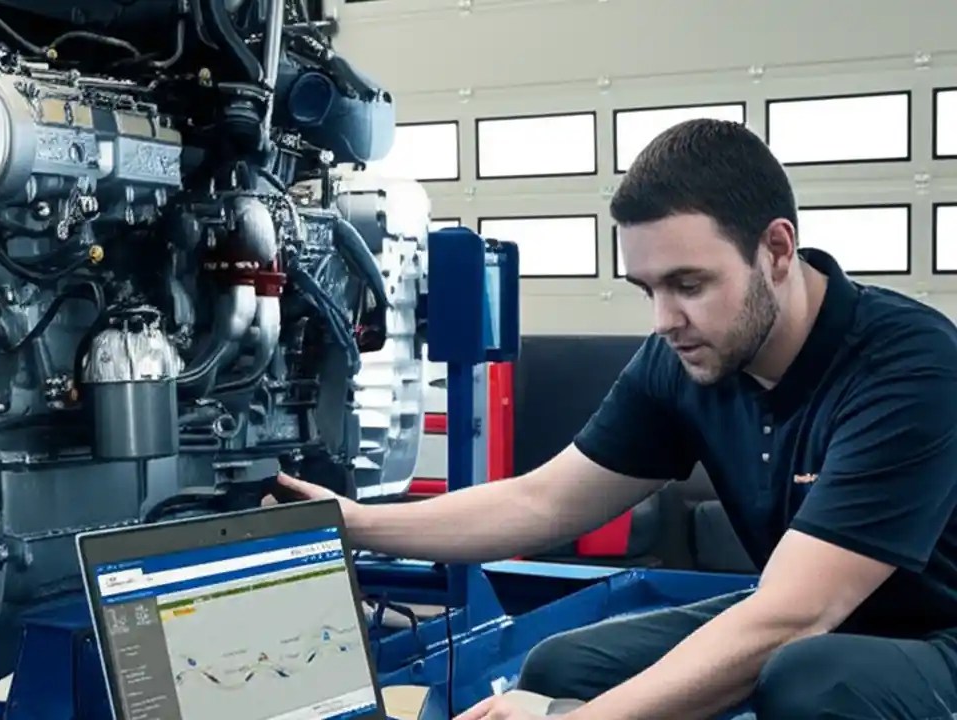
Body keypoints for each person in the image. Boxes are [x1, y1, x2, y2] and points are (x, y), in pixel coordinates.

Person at [268, 118, 957, 719]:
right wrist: (351, 522)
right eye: (648, 289)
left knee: (811, 682)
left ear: (776, 250)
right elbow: (542, 502)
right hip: (816, 618)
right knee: (562, 667)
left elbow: (796, 615)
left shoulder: (908, 364)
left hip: (932, 637)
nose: (664, 319)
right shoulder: (687, 356)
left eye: (689, 284)